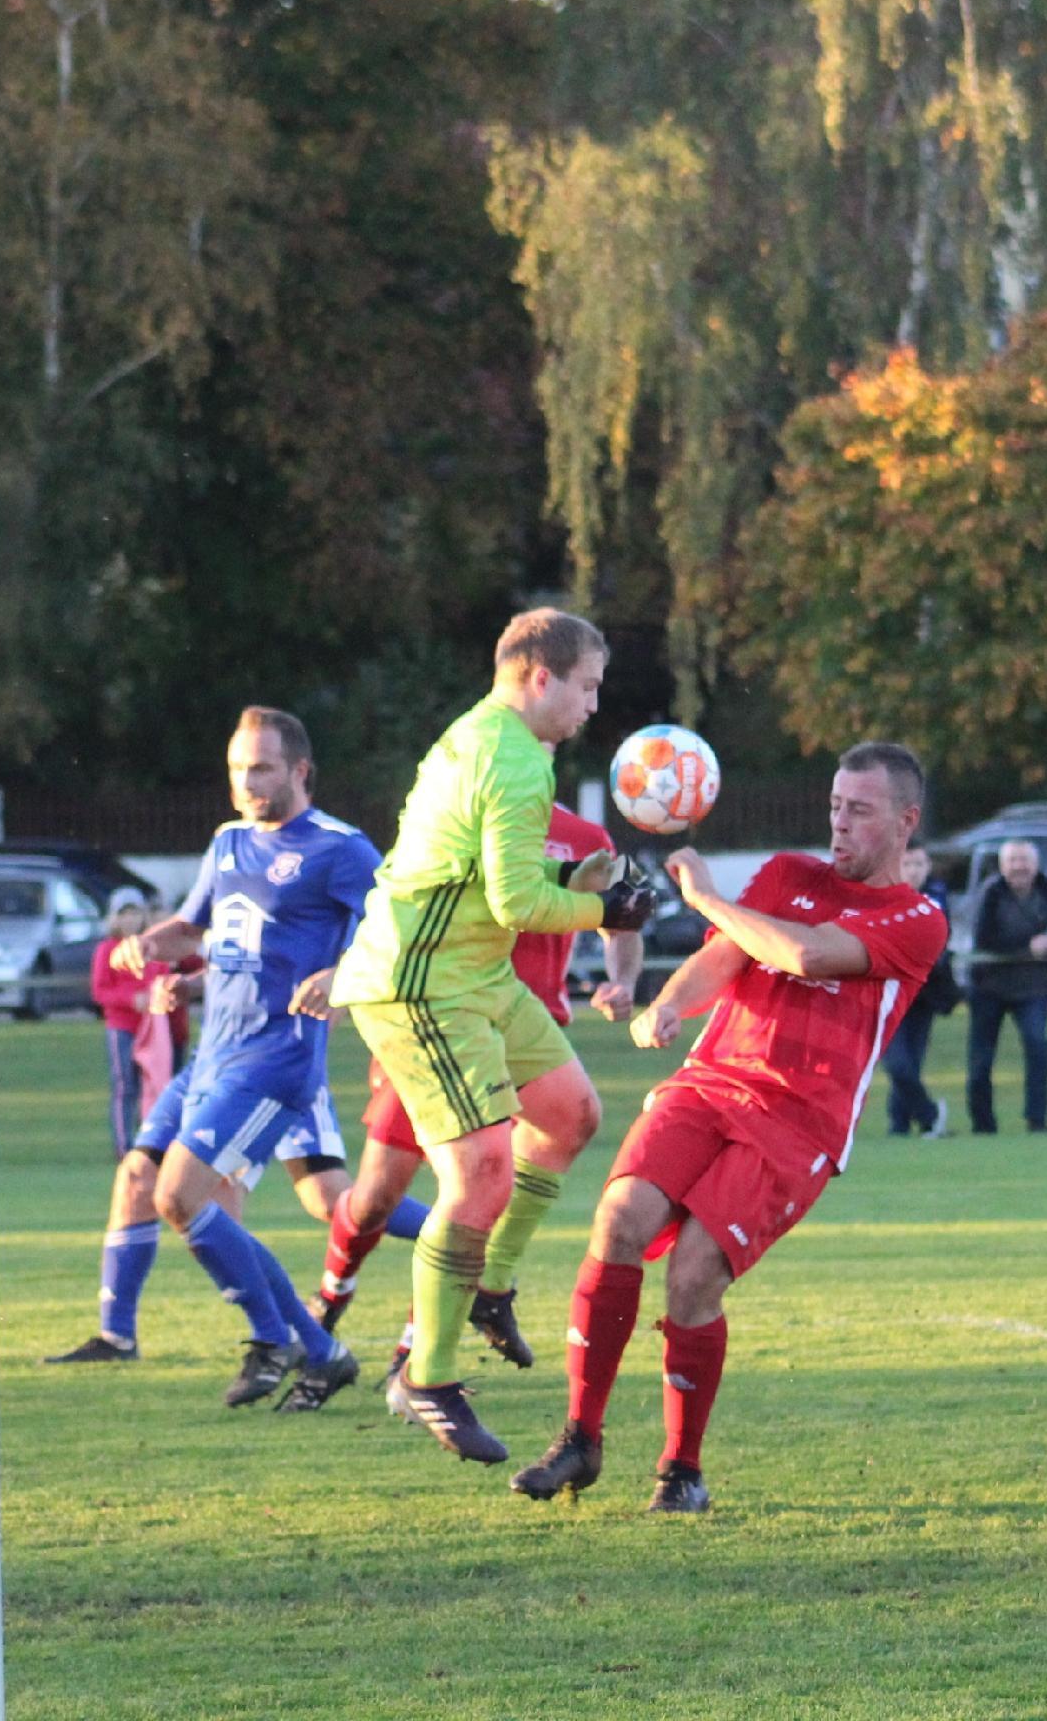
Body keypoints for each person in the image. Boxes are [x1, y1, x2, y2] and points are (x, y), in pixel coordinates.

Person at [509, 742, 947, 1513]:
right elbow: (725, 959)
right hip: (711, 1084)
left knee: (693, 1276)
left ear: (906, 822)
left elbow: (805, 954)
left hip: (797, 1124)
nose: (838, 825)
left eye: (860, 812)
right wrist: (672, 1003)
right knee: (618, 1219)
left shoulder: (918, 920)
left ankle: (681, 1471)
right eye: (835, 806)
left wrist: (705, 896)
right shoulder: (787, 874)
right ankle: (580, 1437)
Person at [319, 611, 656, 1462]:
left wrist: (561, 878)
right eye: (587, 688)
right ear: (540, 677)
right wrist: (601, 908)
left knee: (572, 1114)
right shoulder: (510, 757)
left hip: (477, 974)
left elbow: (484, 874)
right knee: (480, 1175)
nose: (592, 707)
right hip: (426, 985)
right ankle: (424, 1376)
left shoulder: (485, 736)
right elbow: (515, 907)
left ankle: (488, 1286)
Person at [41, 706, 382, 1415]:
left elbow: (398, 936)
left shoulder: (341, 849)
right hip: (210, 1057)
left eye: (261, 768)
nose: (247, 782)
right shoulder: (227, 842)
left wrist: (343, 977)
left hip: (274, 1059)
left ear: (300, 771)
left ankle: (274, 1338)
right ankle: (316, 1352)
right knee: (144, 1176)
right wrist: (152, 947)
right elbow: (195, 925)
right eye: (237, 769)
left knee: (181, 1195)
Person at [315, 799, 644, 1389]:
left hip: (526, 1037)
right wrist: (347, 968)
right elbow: (402, 908)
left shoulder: (586, 838)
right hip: (440, 1021)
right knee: (373, 1199)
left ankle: (416, 1354)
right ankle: (329, 1301)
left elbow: (623, 919)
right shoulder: (460, 819)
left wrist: (622, 981)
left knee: (479, 1191)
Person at [964, 840, 1047, 1134]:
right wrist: (1027, 947)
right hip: (988, 987)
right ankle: (983, 1125)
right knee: (981, 1059)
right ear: (1002, 865)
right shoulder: (990, 893)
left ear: (1036, 864)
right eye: (1013, 860)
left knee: (1038, 1046)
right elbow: (984, 939)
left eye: (1025, 860)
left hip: (1033, 987)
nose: (1019, 866)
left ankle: (1038, 1120)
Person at [90, 891, 195, 1153]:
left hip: (157, 1027)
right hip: (123, 1025)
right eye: (123, 914)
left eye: (134, 913)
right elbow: (100, 991)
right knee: (125, 1085)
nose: (129, 920)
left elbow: (191, 962)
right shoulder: (108, 950)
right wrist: (130, 999)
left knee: (160, 1084)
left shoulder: (153, 947)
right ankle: (124, 1145)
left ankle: (158, 1142)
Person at [879, 845, 958, 1136]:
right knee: (898, 1064)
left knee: (912, 1063)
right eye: (907, 863)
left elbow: (938, 939)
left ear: (928, 866)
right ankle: (931, 1115)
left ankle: (899, 1126)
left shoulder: (937, 897)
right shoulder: (883, 894)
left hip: (923, 993)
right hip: (888, 993)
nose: (914, 870)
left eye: (919, 863)